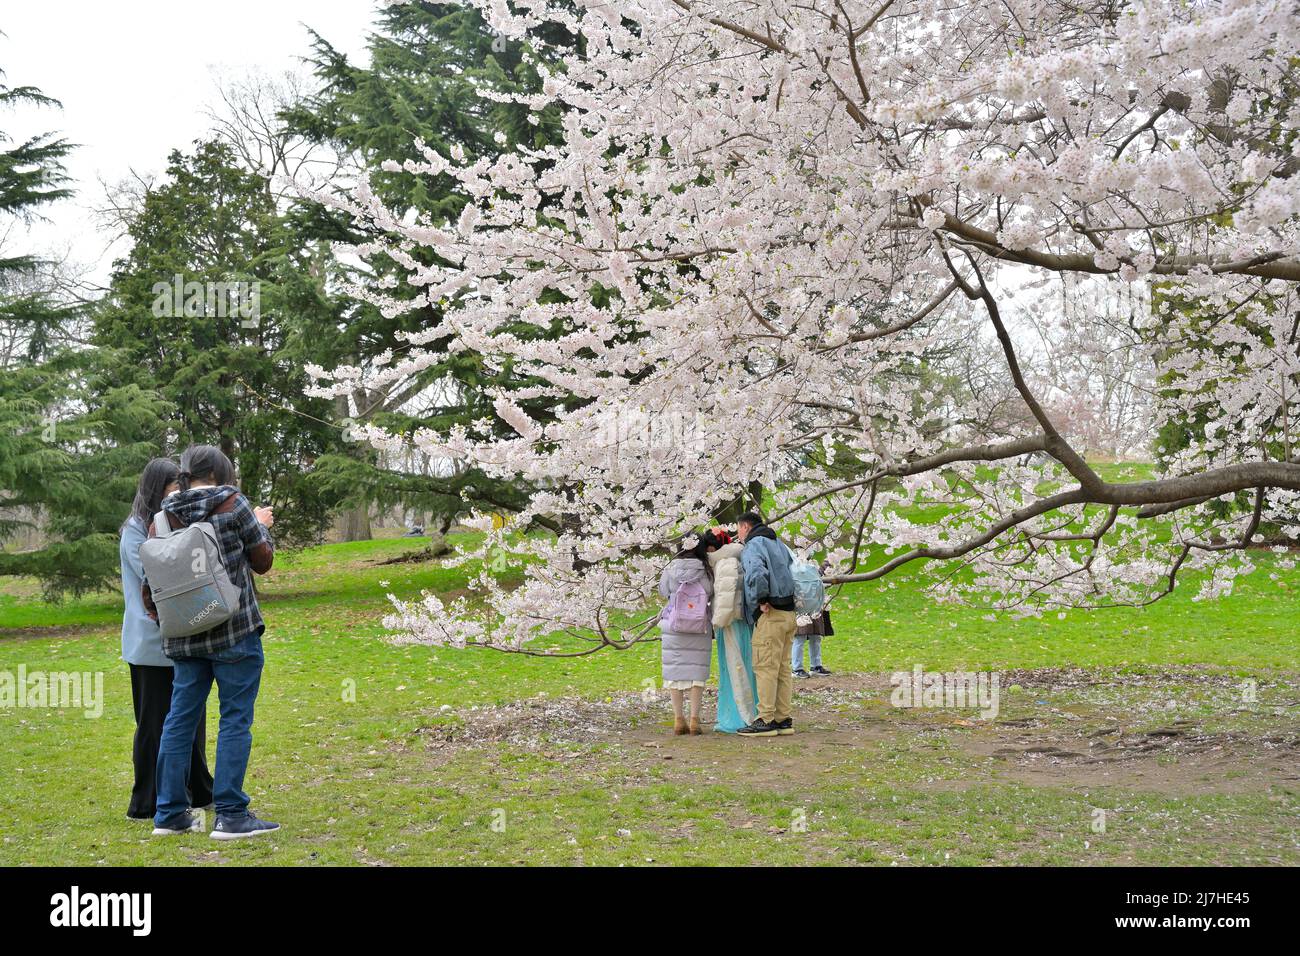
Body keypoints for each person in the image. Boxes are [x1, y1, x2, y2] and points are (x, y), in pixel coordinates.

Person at [143, 444, 278, 839]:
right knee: (235, 718)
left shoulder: (162, 516)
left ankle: (169, 814)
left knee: (178, 721)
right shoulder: (233, 503)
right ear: (220, 472)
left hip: (185, 638)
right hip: (235, 630)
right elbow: (263, 560)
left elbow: (150, 584)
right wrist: (262, 524)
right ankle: (231, 815)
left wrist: (172, 623)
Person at [120, 458, 214, 820]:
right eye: (174, 488)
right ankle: (146, 801)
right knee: (154, 725)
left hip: (186, 635)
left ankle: (198, 789)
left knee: (193, 719)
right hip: (150, 645)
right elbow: (155, 573)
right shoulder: (134, 530)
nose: (180, 494)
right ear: (157, 488)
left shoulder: (178, 521)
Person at [734, 511, 798, 737]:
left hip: (770, 613)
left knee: (765, 667)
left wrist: (761, 600)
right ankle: (783, 718)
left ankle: (766, 718)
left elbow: (757, 572)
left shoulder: (754, 545)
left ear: (745, 527)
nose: (738, 534)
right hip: (789, 613)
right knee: (782, 668)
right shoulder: (778, 542)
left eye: (738, 529)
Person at [659, 536, 714, 735]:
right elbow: (710, 592)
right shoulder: (705, 570)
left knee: (675, 673)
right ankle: (694, 719)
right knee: (696, 675)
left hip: (674, 625)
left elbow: (663, 590)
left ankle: (678, 719)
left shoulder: (670, 569)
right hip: (699, 625)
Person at [706, 528, 759, 733]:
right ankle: (748, 710)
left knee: (735, 666)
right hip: (742, 620)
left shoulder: (725, 561)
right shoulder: (738, 556)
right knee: (744, 665)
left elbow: (726, 597)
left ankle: (741, 715)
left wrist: (718, 621)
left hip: (729, 621)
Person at [794, 560, 834, 678]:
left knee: (816, 637)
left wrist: (825, 567)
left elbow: (819, 578)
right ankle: (797, 668)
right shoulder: (794, 565)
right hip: (801, 606)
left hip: (815, 605)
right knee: (799, 638)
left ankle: (816, 666)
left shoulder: (812, 565)